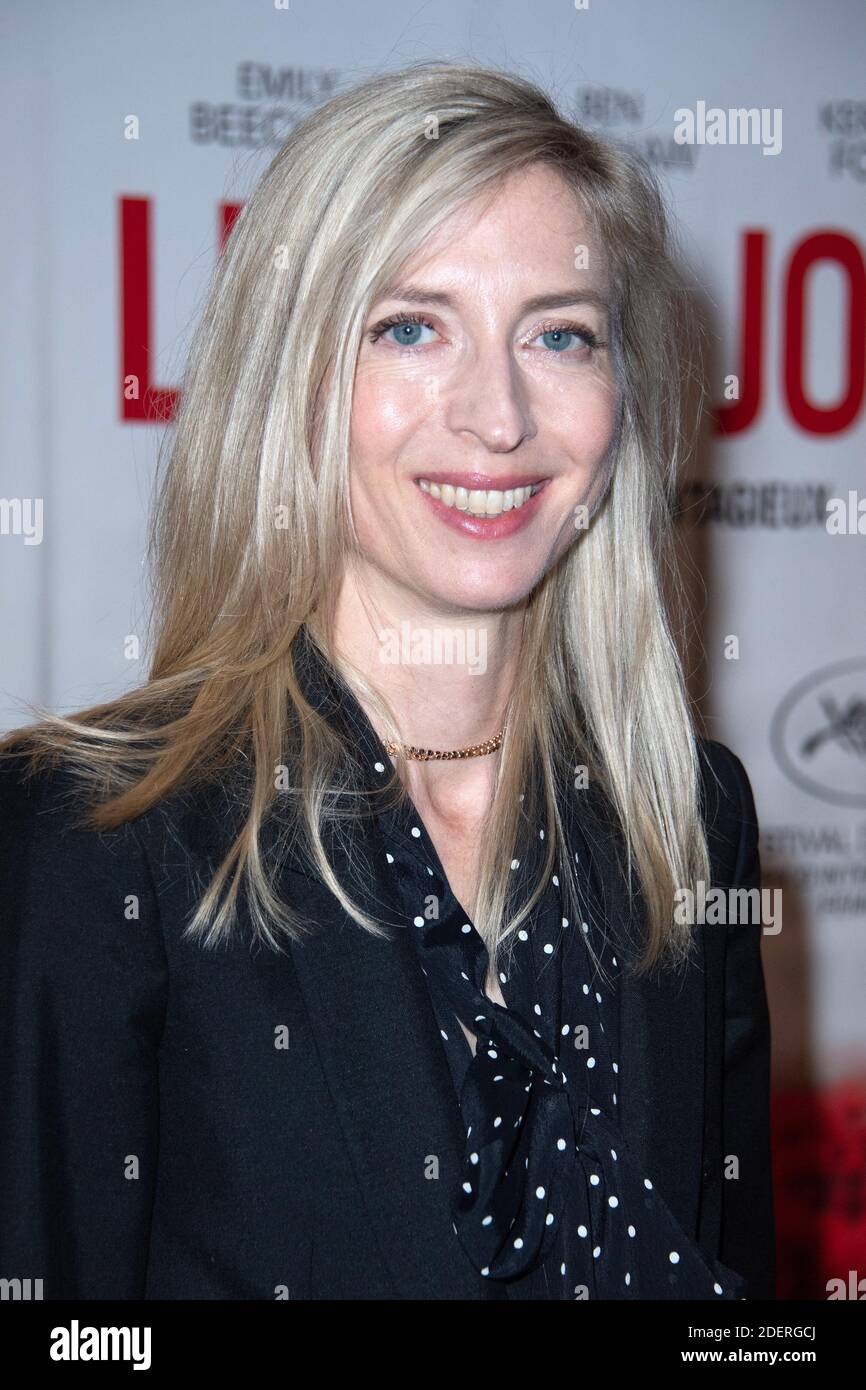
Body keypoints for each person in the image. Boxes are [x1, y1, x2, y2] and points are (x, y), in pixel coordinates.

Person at [0, 60, 774, 1300]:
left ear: (620, 399)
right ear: (291, 382)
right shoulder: (95, 831)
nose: (498, 415)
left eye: (558, 334)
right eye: (410, 327)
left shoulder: (684, 815)